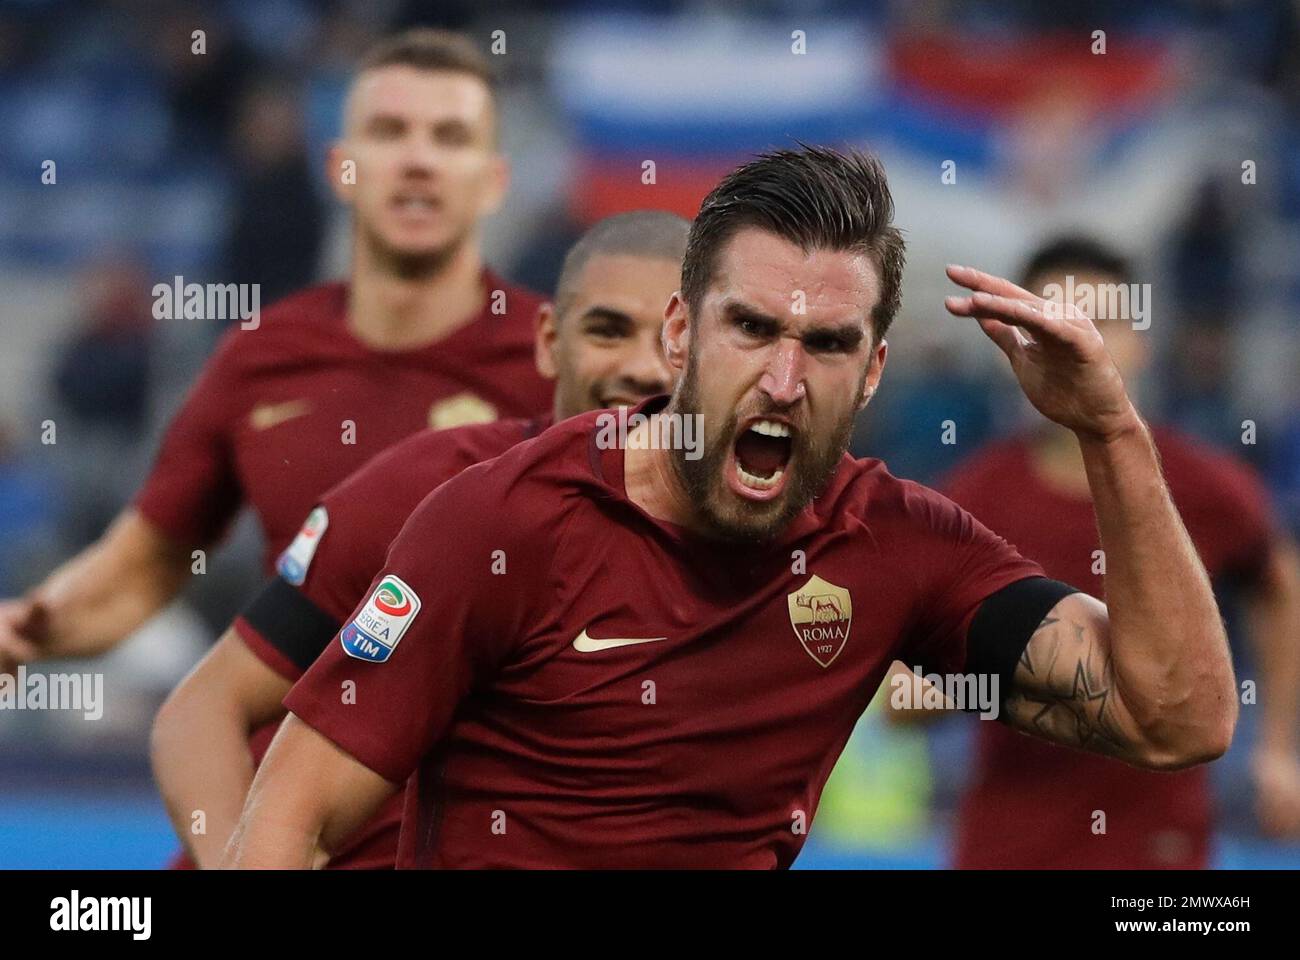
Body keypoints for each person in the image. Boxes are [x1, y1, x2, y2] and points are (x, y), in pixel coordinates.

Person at [226, 146, 1237, 869]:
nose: (785, 381)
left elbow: (1175, 719)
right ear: (681, 334)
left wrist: (1108, 432)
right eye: (750, 328)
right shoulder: (502, 523)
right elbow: (289, 822)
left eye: (829, 345)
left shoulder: (899, 548)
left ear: (875, 369)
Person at [0, 29, 550, 674]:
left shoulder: (559, 356)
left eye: (450, 137)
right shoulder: (263, 354)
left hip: (485, 767)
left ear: (493, 180)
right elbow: (144, 564)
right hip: (278, 762)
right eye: (390, 131)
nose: (417, 160)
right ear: (340, 169)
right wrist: (28, 625)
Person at [150, 211, 689, 868]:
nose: (642, 368)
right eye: (607, 330)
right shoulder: (429, 489)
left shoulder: (758, 555)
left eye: (671, 341)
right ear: (549, 340)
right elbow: (203, 710)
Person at [939, 237, 1300, 868]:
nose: (1072, 342)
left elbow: (1277, 582)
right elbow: (906, 700)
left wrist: (1277, 747)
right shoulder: (968, 500)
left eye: (1099, 321)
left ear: (1140, 342)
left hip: (1160, 854)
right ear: (1009, 342)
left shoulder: (1202, 486)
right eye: (1046, 321)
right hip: (1009, 844)